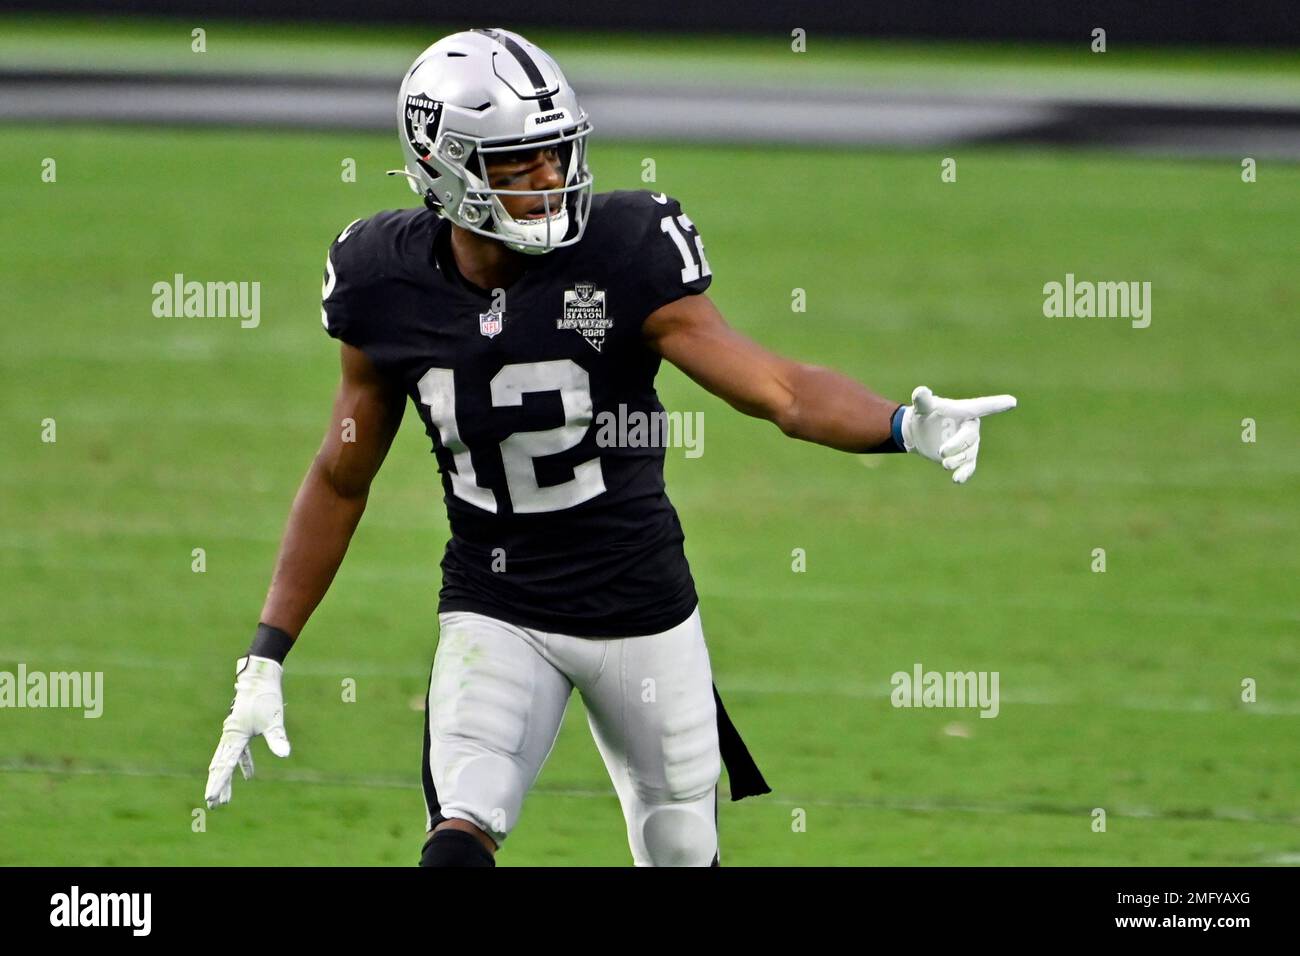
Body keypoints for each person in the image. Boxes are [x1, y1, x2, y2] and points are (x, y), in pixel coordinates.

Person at [204, 27, 1017, 867]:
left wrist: (898, 426)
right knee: (457, 840)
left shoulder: (622, 251)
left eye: (558, 154)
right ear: (442, 169)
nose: (552, 180)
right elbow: (342, 476)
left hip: (640, 609)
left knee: (679, 850)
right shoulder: (382, 278)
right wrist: (266, 654)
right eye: (520, 166)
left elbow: (777, 389)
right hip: (496, 603)